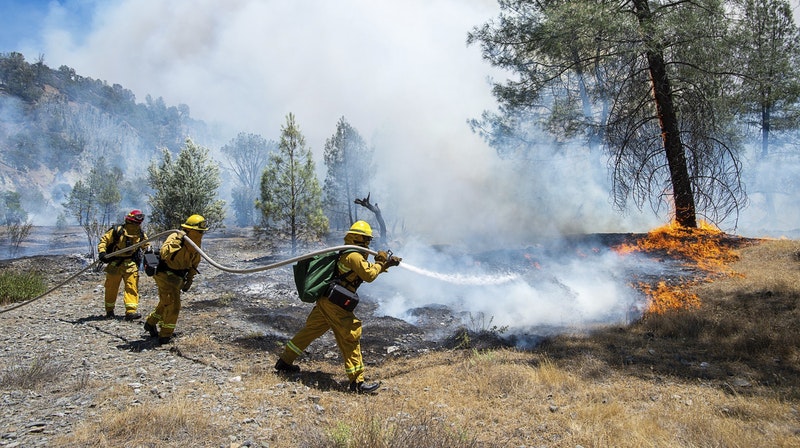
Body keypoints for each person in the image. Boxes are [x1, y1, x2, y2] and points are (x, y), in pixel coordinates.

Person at [274, 220, 401, 394]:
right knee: (350, 336)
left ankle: (284, 362)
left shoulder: (349, 253)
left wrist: (386, 264)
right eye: (366, 239)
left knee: (310, 331)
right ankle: (357, 382)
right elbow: (369, 274)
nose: (368, 243)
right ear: (359, 238)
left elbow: (362, 271)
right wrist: (380, 262)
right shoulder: (354, 255)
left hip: (327, 301)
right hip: (335, 305)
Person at [143, 214, 206, 344]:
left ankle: (150, 322)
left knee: (166, 302)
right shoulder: (175, 237)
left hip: (177, 277)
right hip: (165, 274)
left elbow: (195, 262)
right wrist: (178, 240)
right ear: (189, 229)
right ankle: (165, 335)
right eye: (199, 232)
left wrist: (189, 279)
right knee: (174, 305)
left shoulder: (195, 243)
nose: (201, 234)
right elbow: (165, 254)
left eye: (202, 232)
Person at [97, 209, 151, 320]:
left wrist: (151, 255)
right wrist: (102, 252)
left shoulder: (140, 233)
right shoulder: (117, 230)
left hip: (130, 264)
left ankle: (131, 312)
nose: (137, 224)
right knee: (111, 288)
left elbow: (146, 245)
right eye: (136, 221)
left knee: (132, 287)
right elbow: (104, 241)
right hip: (115, 263)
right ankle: (109, 311)